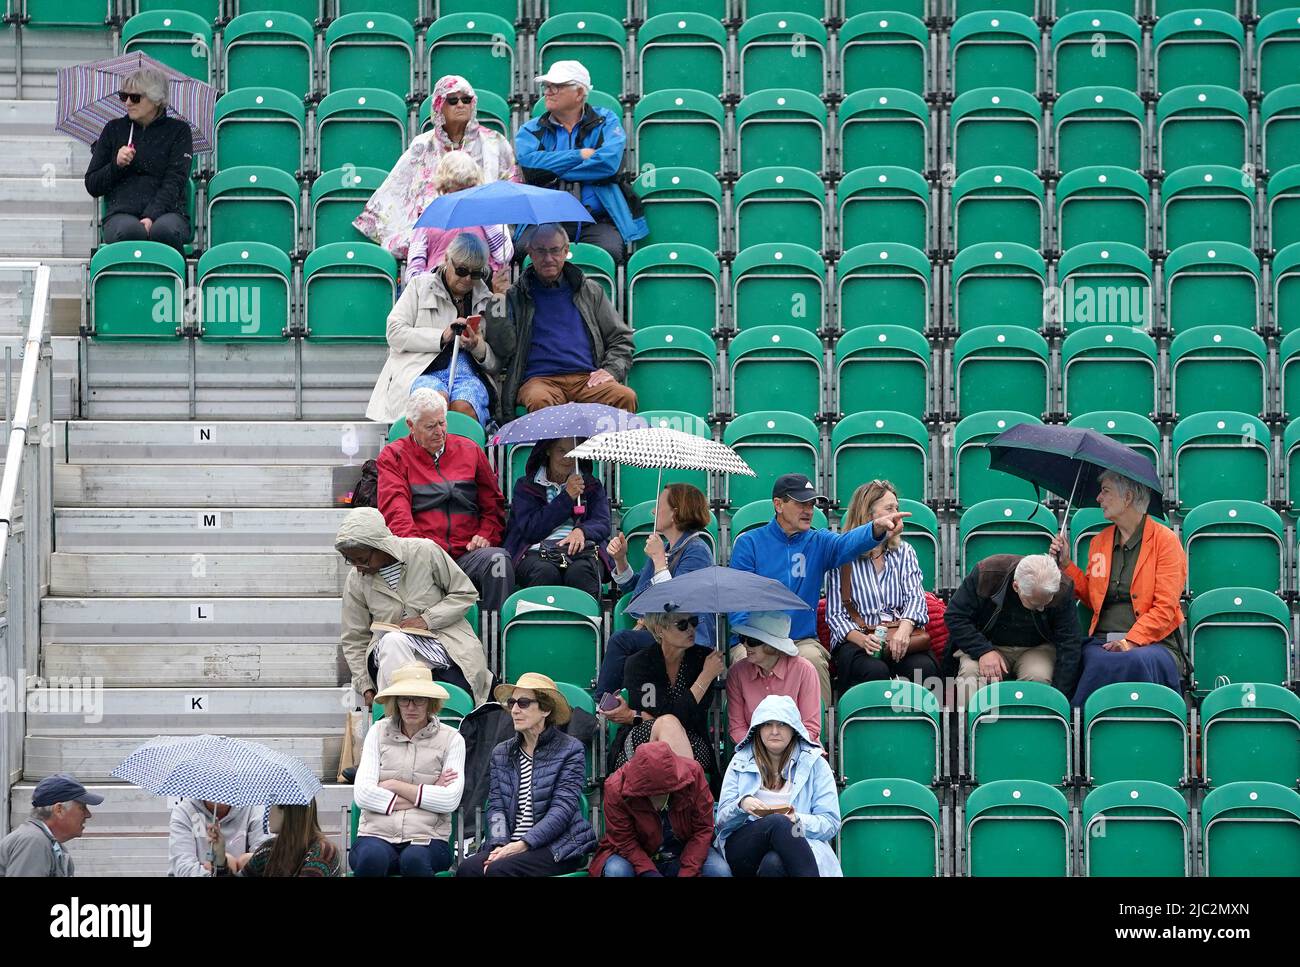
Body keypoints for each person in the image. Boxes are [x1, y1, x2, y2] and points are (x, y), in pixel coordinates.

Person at [728, 473, 910, 706]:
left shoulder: (818, 541)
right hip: (753, 638)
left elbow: (847, 544)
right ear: (778, 504)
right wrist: (750, 642)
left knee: (812, 658)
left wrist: (874, 530)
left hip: (799, 640)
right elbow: (738, 600)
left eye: (812, 504)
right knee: (746, 660)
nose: (809, 510)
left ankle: (818, 736)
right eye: (801, 503)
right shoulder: (749, 543)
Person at [1049, 470, 1187, 708]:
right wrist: (1066, 565)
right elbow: (1094, 597)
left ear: (1128, 497)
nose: (1098, 499)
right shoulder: (1100, 542)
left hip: (1154, 644)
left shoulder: (1166, 542)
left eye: (1105, 491)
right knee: (1094, 660)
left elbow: (1165, 608)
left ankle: (1145, 724)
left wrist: (1130, 642)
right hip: (1103, 640)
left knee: (1134, 660)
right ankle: (1086, 730)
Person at [335, 506, 492, 709]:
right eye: (351, 560)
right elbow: (354, 638)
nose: (358, 567)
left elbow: (465, 594)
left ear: (381, 546)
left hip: (442, 643)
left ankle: (393, 724)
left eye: (362, 560)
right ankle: (403, 720)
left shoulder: (425, 551)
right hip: (387, 652)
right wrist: (365, 686)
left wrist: (427, 620)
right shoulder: (356, 579)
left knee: (394, 644)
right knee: (393, 642)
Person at [355, 74, 519, 262]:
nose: (461, 105)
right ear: (439, 105)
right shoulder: (423, 144)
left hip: (482, 228)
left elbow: (510, 188)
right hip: (436, 229)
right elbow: (399, 187)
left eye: (466, 99)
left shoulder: (494, 142)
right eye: (453, 100)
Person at [376, 389, 514, 611]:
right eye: (430, 426)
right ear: (411, 426)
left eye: (442, 423)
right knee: (414, 566)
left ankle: (495, 638)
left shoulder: (470, 450)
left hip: (468, 553)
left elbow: (494, 505)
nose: (439, 432)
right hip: (424, 555)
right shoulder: (394, 456)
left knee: (498, 560)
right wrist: (426, 551)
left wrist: (486, 535)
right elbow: (396, 514)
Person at [486, 223, 637, 424]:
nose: (548, 258)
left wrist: (611, 370)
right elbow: (502, 347)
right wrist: (498, 299)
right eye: (540, 251)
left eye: (555, 250)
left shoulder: (589, 290)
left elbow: (621, 338)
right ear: (530, 253)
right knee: (540, 400)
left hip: (586, 380)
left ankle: (603, 456)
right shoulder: (514, 295)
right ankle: (555, 456)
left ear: (566, 251)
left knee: (624, 397)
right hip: (539, 381)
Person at [457, 673, 596, 877]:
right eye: (512, 702)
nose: (514, 710)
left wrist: (521, 845)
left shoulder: (570, 749)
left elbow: (562, 810)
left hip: (557, 846)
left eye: (523, 703)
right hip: (510, 844)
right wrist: (498, 844)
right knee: (468, 869)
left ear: (545, 709)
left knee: (498, 870)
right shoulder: (502, 752)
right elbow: (496, 808)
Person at [514, 60, 647, 264]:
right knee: (524, 250)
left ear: (579, 93)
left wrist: (552, 170)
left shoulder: (606, 121)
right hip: (545, 219)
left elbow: (609, 164)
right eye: (547, 86)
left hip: (595, 221)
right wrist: (578, 156)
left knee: (609, 253)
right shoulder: (531, 129)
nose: (548, 92)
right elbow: (530, 167)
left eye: (556, 86)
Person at [367, 233, 500, 428]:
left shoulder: (489, 300)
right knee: (434, 405)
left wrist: (477, 346)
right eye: (461, 270)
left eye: (476, 274)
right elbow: (394, 332)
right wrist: (441, 336)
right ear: (447, 260)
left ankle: (461, 457)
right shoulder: (419, 286)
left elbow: (497, 362)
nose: (467, 279)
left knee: (464, 408)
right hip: (421, 369)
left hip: (468, 372)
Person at [598, 483, 716, 700]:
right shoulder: (668, 548)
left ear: (676, 513)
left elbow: (679, 603)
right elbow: (636, 589)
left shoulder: (697, 551)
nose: (653, 511)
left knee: (621, 640)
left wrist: (660, 560)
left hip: (688, 638)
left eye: (659, 505)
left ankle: (603, 706)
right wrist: (621, 559)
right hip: (663, 634)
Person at [351, 665, 466, 877]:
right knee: (371, 858)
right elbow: (363, 794)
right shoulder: (377, 732)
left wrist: (394, 786)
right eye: (404, 699)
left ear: (431, 702)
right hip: (375, 834)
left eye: (419, 699)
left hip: (429, 837)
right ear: (396, 702)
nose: (411, 706)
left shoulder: (452, 739)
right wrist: (429, 791)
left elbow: (450, 800)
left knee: (414, 860)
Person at [825, 480, 937, 695]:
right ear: (869, 515)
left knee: (923, 668)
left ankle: (921, 726)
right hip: (859, 637)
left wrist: (904, 631)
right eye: (889, 509)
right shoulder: (842, 555)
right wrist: (864, 640)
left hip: (900, 633)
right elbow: (835, 616)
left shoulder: (904, 551)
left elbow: (916, 598)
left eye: (897, 508)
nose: (896, 514)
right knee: (873, 671)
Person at [714, 695, 842, 878]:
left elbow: (830, 823)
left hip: (798, 844)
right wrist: (741, 805)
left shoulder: (816, 764)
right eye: (767, 724)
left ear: (794, 728)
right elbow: (721, 821)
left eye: (782, 724)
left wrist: (797, 820)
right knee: (778, 822)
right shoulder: (739, 761)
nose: (774, 731)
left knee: (773, 863)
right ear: (758, 729)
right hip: (744, 848)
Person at [945, 553, 1085, 705]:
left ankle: (1035, 727)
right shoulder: (986, 574)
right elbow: (955, 616)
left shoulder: (1062, 588)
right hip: (986, 642)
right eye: (1035, 603)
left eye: (1047, 601)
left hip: (1038, 648)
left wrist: (1058, 699)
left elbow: (1070, 642)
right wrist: (983, 650)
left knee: (1038, 677)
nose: (1042, 608)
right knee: (970, 676)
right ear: (1016, 586)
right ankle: (970, 727)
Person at [612, 610, 726, 789]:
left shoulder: (703, 659)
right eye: (682, 624)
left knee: (670, 731)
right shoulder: (639, 663)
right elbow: (669, 719)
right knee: (666, 727)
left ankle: (681, 803)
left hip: (691, 738)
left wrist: (636, 715)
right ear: (659, 630)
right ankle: (689, 803)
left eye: (693, 621)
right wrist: (705, 677)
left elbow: (688, 719)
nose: (691, 629)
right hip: (645, 738)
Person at [84, 67, 192, 252]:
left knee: (163, 231)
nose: (127, 103)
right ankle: (123, 281)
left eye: (135, 97)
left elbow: (175, 181)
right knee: (131, 231)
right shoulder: (113, 129)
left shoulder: (178, 131)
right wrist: (116, 165)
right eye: (123, 96)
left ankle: (175, 280)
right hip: (121, 213)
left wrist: (151, 216)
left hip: (169, 212)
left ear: (156, 99)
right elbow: (92, 185)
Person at [590, 741, 730, 877]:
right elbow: (624, 841)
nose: (656, 801)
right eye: (649, 795)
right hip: (633, 855)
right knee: (617, 871)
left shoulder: (693, 775)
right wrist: (649, 872)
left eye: (663, 792)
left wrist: (688, 872)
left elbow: (703, 829)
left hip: (684, 850)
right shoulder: (615, 787)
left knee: (720, 872)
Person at [504, 436, 611, 599]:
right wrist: (566, 497)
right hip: (536, 552)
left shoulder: (591, 485)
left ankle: (587, 623)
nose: (567, 458)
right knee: (545, 572)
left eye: (573, 451)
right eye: (561, 451)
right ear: (548, 450)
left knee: (581, 572)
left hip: (582, 552)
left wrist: (581, 531)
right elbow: (531, 530)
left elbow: (603, 523)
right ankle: (542, 623)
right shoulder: (526, 486)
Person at [405, 150, 513, 285]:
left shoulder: (487, 211)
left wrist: (484, 215)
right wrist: (440, 275)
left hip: (481, 287)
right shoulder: (429, 216)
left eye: (469, 188)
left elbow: (504, 255)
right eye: (457, 190)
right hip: (438, 291)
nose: (464, 196)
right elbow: (412, 274)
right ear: (444, 189)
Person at [726, 611, 822, 747]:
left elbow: (810, 728)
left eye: (752, 641)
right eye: (743, 638)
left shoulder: (804, 670)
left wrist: (782, 753)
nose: (745, 645)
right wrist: (762, 752)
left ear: (773, 646)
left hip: (799, 751)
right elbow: (737, 729)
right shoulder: (736, 673)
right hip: (753, 753)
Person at [0, 774, 101, 877]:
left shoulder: (48, 843)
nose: (88, 814)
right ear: (59, 810)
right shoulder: (34, 841)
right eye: (82, 808)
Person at [211, 801, 341, 877]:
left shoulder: (324, 852)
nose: (266, 812)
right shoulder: (269, 849)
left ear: (287, 812)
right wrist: (220, 858)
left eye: (270, 805)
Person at [168, 800, 268, 877]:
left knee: (245, 860)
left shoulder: (254, 808)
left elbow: (265, 859)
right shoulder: (184, 811)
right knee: (226, 862)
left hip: (242, 872)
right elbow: (183, 866)